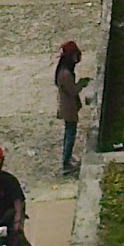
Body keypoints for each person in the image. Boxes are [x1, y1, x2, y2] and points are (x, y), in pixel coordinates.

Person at [55, 41, 88, 173]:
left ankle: (67, 158)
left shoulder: (63, 71)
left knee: (68, 133)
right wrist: (82, 83)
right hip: (69, 109)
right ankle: (66, 162)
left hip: (67, 107)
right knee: (70, 135)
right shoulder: (66, 74)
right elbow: (73, 90)